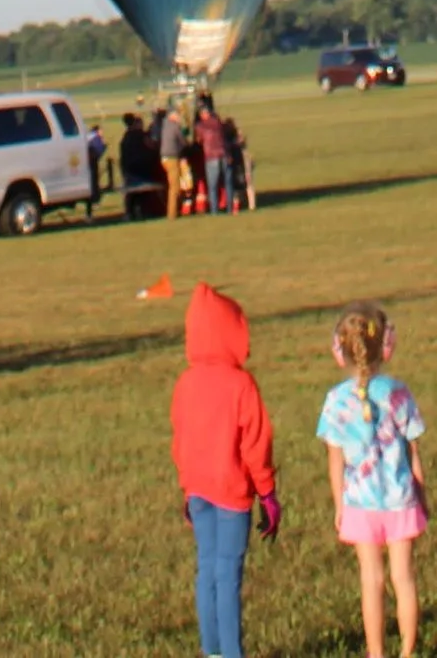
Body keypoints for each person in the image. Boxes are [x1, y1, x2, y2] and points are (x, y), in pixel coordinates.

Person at [169, 282, 278, 658]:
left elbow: (180, 442)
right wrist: (267, 492)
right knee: (228, 576)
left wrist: (187, 489)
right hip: (232, 495)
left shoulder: (185, 384)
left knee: (207, 571)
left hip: (197, 491)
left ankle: (212, 650)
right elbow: (256, 445)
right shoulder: (241, 385)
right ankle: (232, 653)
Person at [318, 301, 426, 658]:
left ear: (341, 351)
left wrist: (339, 505)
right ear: (386, 346)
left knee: (372, 580)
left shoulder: (335, 401)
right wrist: (421, 494)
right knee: (404, 578)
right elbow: (413, 453)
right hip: (400, 501)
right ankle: (408, 651)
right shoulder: (399, 393)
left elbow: (335, 462)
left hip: (360, 505)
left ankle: (376, 652)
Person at [120, 109, 163, 218]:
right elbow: (152, 146)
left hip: (129, 170)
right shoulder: (141, 136)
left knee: (132, 194)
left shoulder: (125, 138)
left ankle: (131, 212)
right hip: (142, 169)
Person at [156, 94, 190, 220]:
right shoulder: (174, 126)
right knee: (174, 186)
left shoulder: (164, 125)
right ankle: (172, 213)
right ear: (173, 115)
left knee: (172, 185)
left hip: (164, 157)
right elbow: (182, 141)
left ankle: (176, 209)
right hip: (172, 158)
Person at [200, 105, 234, 213]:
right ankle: (230, 208)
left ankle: (214, 210)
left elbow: (199, 140)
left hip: (211, 157)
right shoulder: (219, 124)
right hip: (224, 155)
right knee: (228, 183)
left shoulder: (201, 126)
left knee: (212, 186)